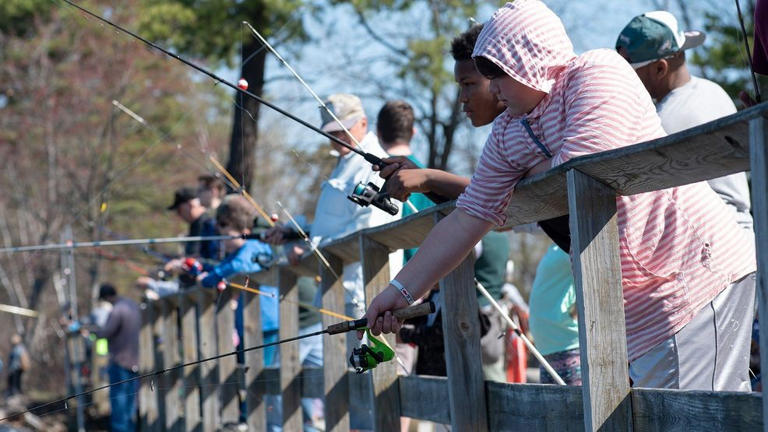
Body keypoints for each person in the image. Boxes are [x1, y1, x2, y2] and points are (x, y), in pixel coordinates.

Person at [364, 0, 756, 393]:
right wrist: (399, 291)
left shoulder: (596, 73)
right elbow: (469, 216)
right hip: (632, 303)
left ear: (527, 59)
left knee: (694, 417)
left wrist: (527, 176)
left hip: (693, 274)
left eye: (497, 72)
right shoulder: (507, 133)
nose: (494, 86)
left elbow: (578, 173)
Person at [616, 11, 753, 231]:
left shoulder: (663, 120)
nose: (625, 80)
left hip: (710, 239)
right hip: (740, 232)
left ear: (660, 68)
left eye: (629, 71)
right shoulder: (711, 90)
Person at [528, 245, 580, 385]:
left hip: (569, 345)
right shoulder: (555, 245)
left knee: (576, 405)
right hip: (546, 350)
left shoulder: (570, 243)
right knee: (552, 406)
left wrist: (578, 307)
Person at [93, 284, 141, 432]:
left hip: (120, 361)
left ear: (106, 297)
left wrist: (93, 332)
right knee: (130, 402)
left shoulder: (118, 309)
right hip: (135, 360)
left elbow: (107, 332)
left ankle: (121, 430)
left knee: (119, 401)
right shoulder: (133, 305)